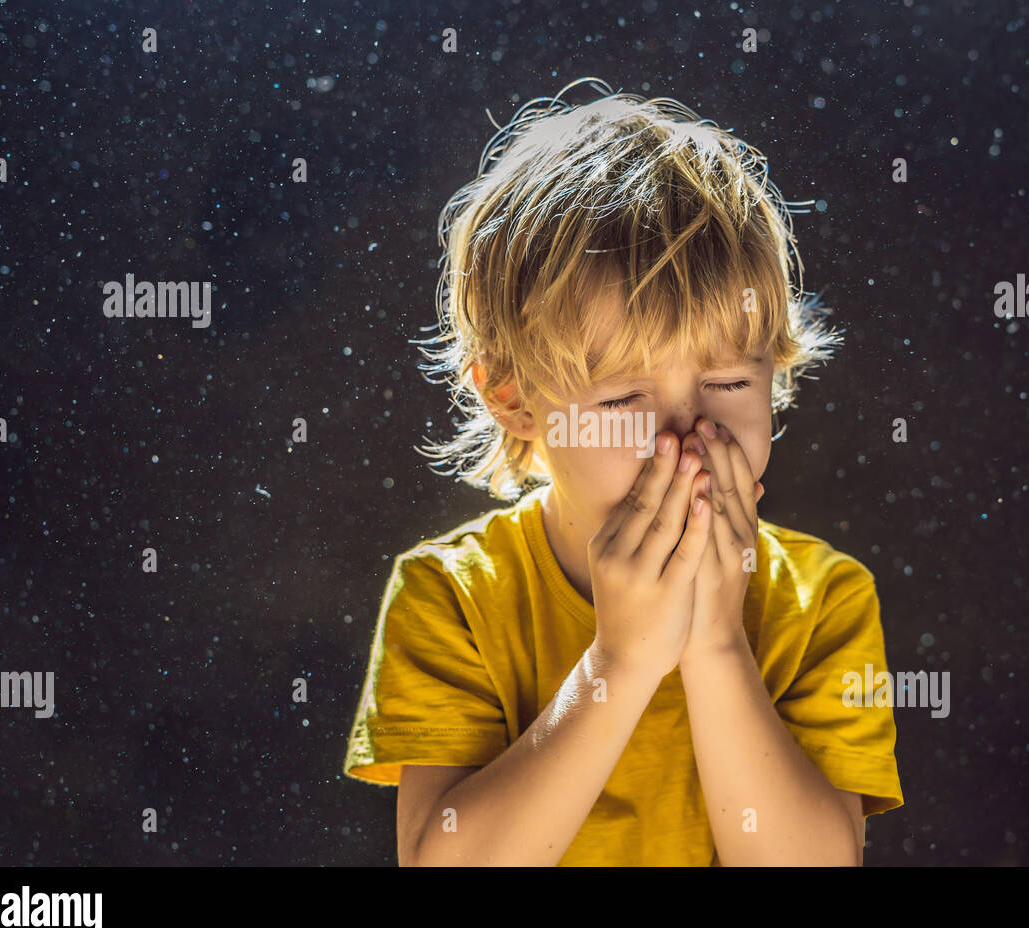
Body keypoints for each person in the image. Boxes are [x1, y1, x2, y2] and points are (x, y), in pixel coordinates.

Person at [343, 80, 903, 865]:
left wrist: (714, 645)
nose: (687, 437)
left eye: (730, 384)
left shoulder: (826, 601)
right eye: (624, 399)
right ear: (514, 399)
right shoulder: (452, 596)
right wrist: (622, 659)